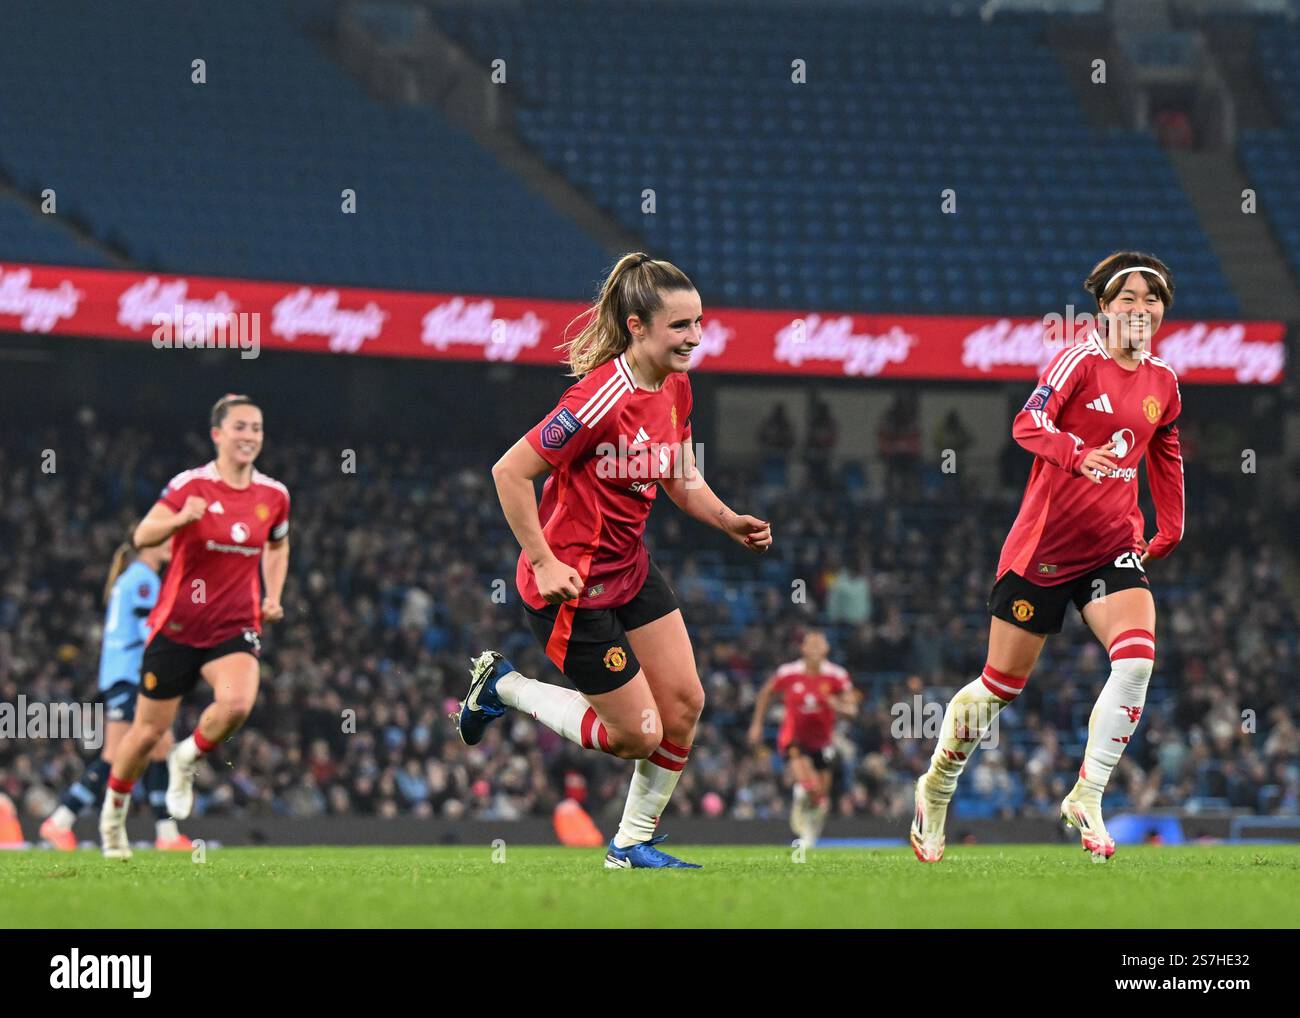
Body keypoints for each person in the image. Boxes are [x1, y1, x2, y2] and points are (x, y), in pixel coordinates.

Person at [454, 253, 772, 869]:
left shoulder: (676, 385)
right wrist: (542, 561)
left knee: (685, 706)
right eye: (680, 325)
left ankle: (630, 845)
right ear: (636, 326)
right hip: (570, 588)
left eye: (699, 322)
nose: (695, 337)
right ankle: (505, 686)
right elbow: (509, 472)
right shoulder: (600, 398)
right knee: (638, 736)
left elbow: (678, 474)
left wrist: (728, 518)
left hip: (628, 569)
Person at [911, 252, 1184, 863]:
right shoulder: (1079, 361)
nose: (1140, 310)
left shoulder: (1163, 380)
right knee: (999, 688)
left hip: (1113, 545)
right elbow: (1026, 423)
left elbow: (1165, 449)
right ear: (1104, 310)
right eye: (1127, 300)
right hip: (1043, 554)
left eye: (1152, 299)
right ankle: (936, 786)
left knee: (1137, 662)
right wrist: (1073, 452)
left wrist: (1171, 527)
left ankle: (1088, 794)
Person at [98, 394, 290, 859]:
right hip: (177, 627)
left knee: (238, 704)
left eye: (257, 428)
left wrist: (272, 595)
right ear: (218, 434)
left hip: (233, 625)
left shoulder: (274, 496)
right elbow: (141, 535)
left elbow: (278, 546)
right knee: (144, 735)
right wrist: (181, 519)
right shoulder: (190, 486)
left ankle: (188, 757)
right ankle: (113, 817)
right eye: (240, 427)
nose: (249, 436)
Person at [40, 537, 193, 851]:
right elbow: (148, 630)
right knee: (120, 754)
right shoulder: (143, 580)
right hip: (132, 674)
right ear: (147, 545)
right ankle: (61, 820)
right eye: (166, 541)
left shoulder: (129, 579)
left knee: (159, 747)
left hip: (121, 674)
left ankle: (165, 833)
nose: (171, 546)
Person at [747, 629, 858, 846]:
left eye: (820, 644)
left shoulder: (837, 675)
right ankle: (800, 795)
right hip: (794, 738)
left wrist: (838, 706)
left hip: (823, 742)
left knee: (820, 796)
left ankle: (808, 833)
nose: (815, 648)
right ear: (803, 648)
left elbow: (853, 710)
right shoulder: (788, 672)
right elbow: (765, 693)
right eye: (811, 644)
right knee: (808, 781)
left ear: (827, 649)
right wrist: (757, 724)